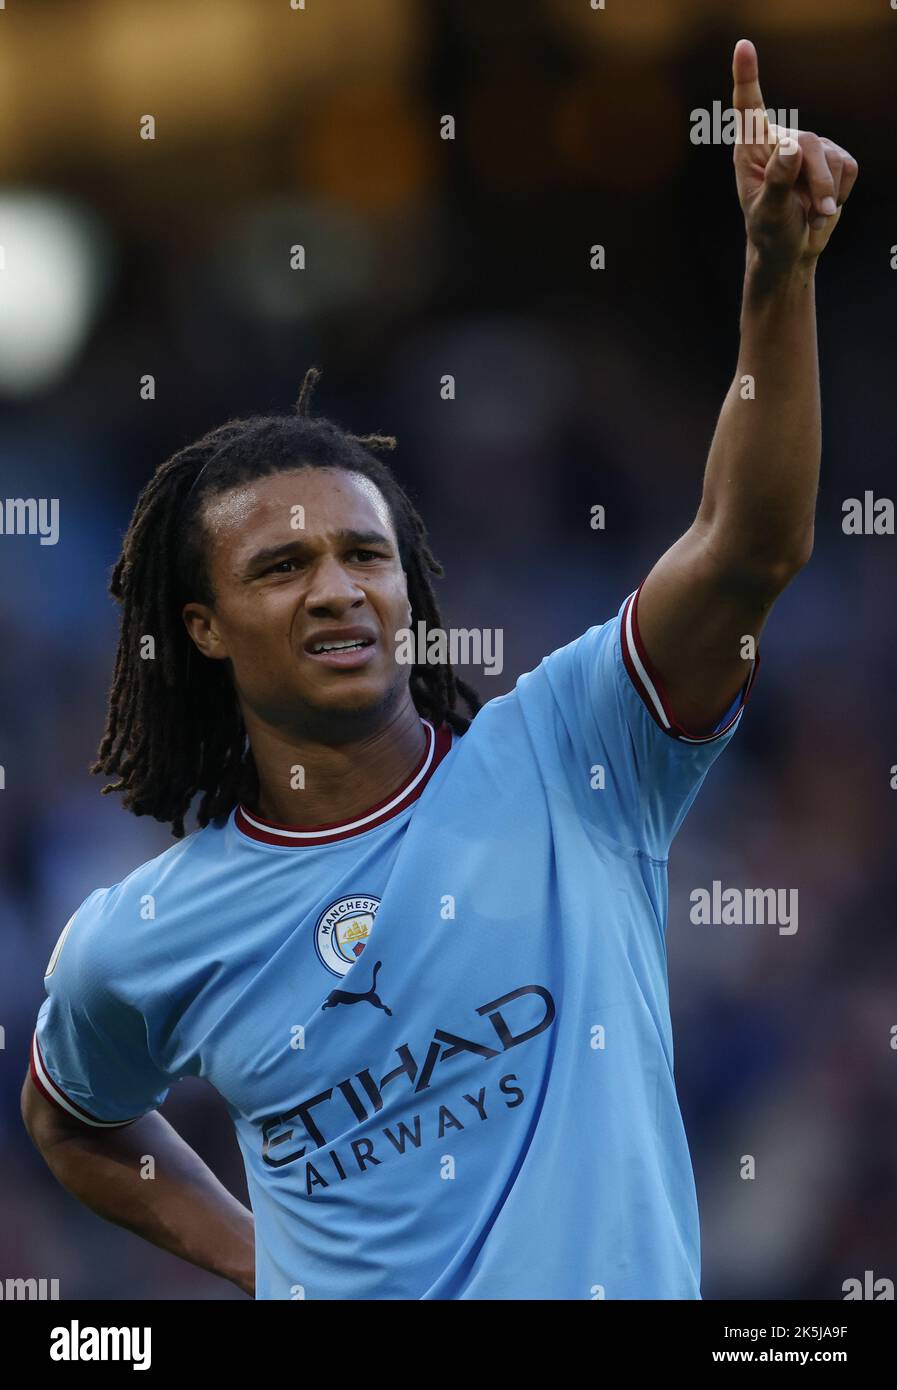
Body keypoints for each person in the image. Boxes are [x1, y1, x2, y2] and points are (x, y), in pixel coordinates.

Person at [21, 40, 858, 1299]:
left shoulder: (578, 749)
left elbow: (750, 546)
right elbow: (70, 1116)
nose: (339, 586)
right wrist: (264, 1262)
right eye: (281, 566)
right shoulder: (134, 938)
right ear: (199, 627)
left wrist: (777, 276)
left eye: (366, 552)